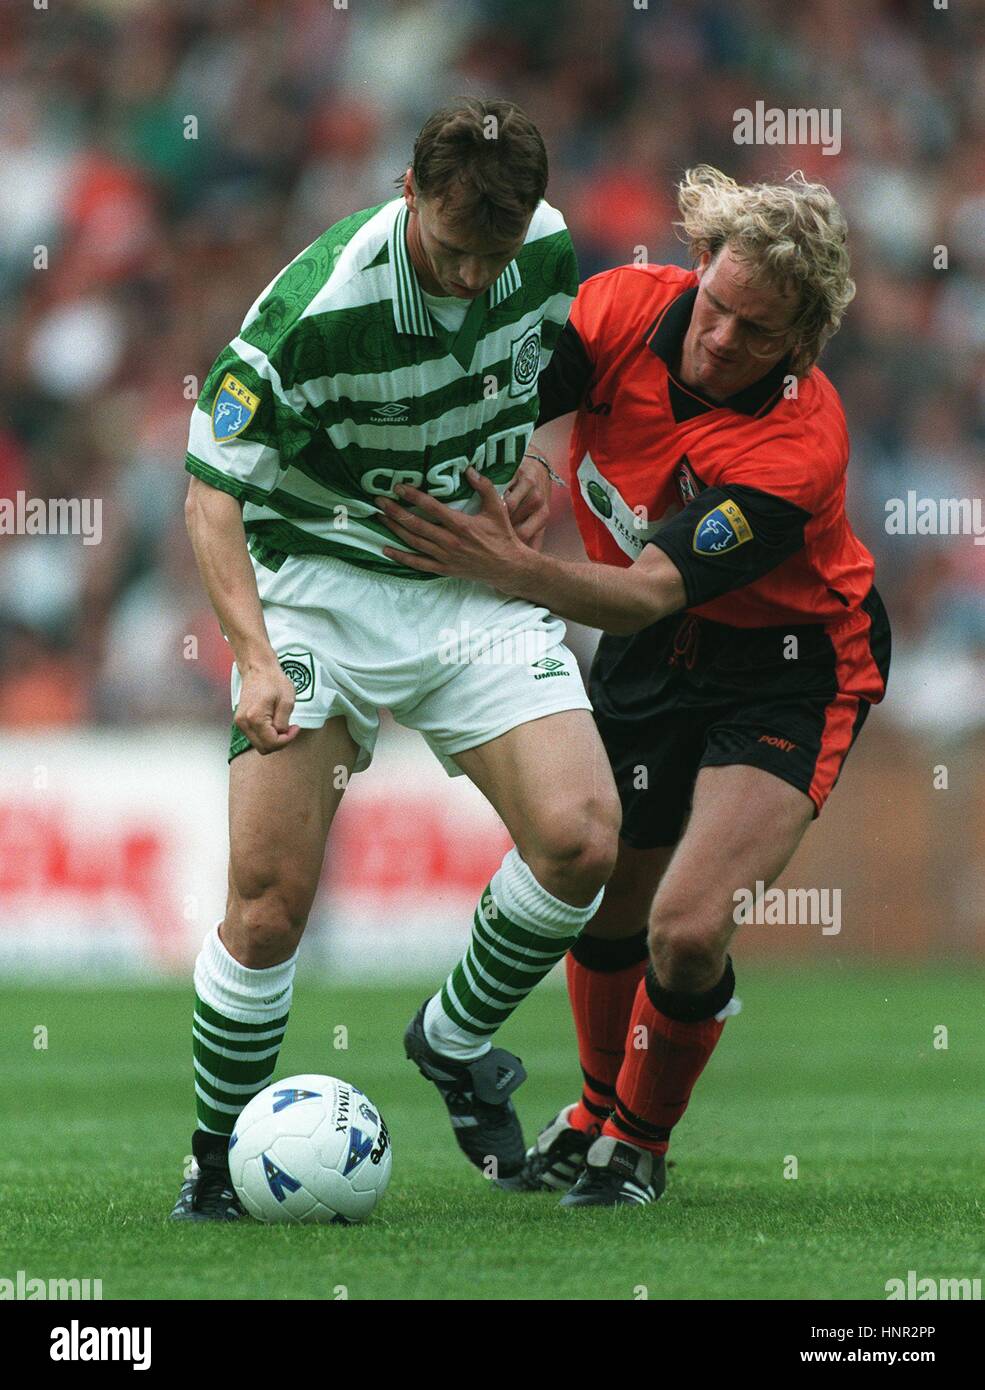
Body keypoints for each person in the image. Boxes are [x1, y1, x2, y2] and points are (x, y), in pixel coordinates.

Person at [380, 165, 892, 1208]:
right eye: (718, 306)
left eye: (755, 333)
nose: (721, 338)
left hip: (787, 665)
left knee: (687, 926)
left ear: (799, 343)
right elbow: (509, 402)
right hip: (658, 651)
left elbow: (649, 588)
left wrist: (509, 566)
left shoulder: (796, 446)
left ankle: (638, 1145)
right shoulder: (621, 304)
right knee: (607, 894)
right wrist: (520, 458)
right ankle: (593, 1107)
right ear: (700, 267)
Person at [171, 98, 621, 1220]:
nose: (475, 276)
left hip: (470, 579)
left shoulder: (548, 248)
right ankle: (214, 1160)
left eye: (495, 254)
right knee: (268, 906)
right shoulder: (316, 307)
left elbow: (536, 384)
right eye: (454, 249)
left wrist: (534, 465)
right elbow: (210, 492)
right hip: (319, 589)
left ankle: (452, 1038)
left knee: (581, 839)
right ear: (406, 193)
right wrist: (256, 656)